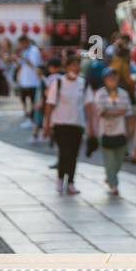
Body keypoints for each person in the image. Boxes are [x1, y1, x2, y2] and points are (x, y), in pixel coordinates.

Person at [44, 52, 88, 195]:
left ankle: (71, 182)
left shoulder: (83, 83)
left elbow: (88, 105)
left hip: (77, 123)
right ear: (67, 66)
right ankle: (60, 178)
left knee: (74, 154)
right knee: (64, 152)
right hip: (60, 123)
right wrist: (46, 124)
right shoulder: (58, 82)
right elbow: (49, 104)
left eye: (78, 65)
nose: (76, 68)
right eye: (73, 64)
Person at [89, 68, 134, 196]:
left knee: (119, 160)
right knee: (109, 160)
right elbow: (101, 111)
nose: (112, 81)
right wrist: (119, 112)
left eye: (114, 78)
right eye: (109, 78)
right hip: (105, 131)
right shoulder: (100, 94)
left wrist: (130, 129)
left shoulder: (123, 94)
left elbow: (128, 112)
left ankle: (111, 177)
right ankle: (113, 184)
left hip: (121, 131)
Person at [14, 35, 44, 133]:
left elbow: (34, 65)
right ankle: (29, 117)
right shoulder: (25, 51)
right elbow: (21, 64)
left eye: (22, 43)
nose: (21, 46)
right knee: (24, 99)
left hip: (33, 81)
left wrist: (23, 57)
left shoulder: (34, 50)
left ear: (26, 42)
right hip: (25, 80)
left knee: (33, 101)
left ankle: (33, 120)